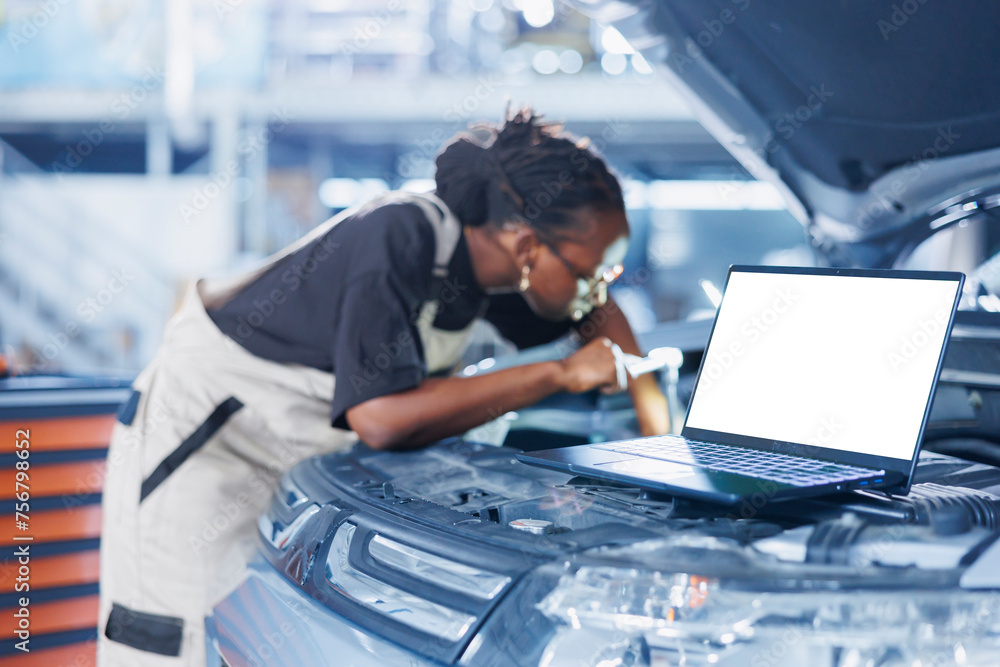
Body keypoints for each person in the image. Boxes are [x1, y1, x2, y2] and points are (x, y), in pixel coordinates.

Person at [97, 107, 669, 666]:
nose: (601, 290)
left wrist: (657, 443)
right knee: (174, 637)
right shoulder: (397, 231)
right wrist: (558, 374)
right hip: (202, 441)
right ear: (527, 248)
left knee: (247, 630)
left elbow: (599, 323)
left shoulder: (491, 276)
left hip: (290, 451)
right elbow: (381, 417)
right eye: (597, 273)